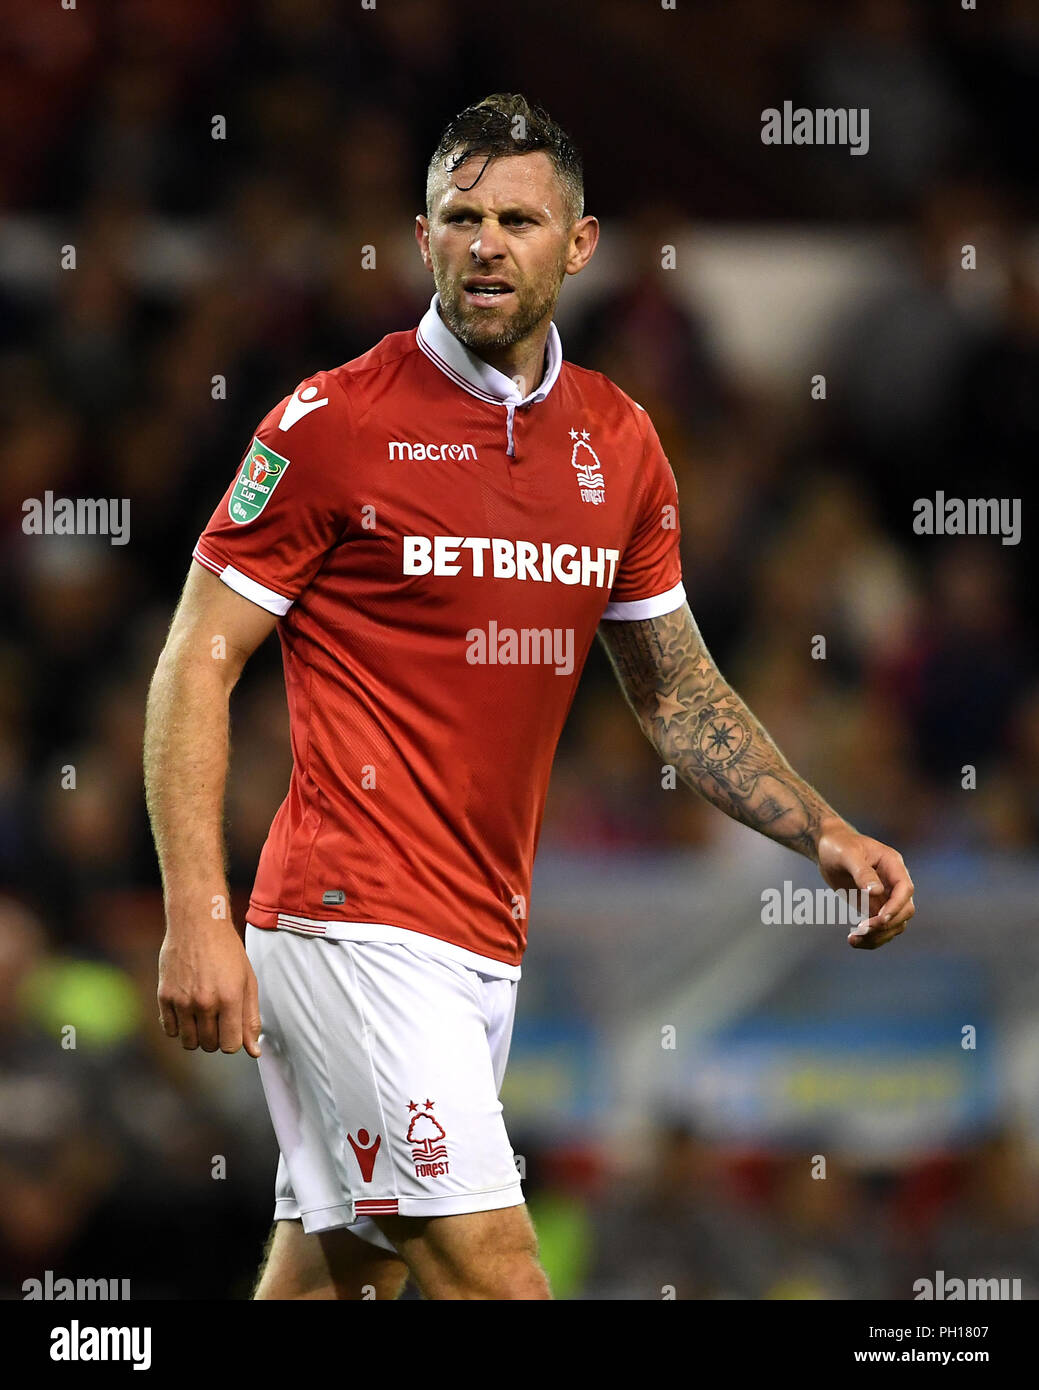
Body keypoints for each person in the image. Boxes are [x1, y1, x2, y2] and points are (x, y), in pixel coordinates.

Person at [143, 93, 915, 1301]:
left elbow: (671, 687)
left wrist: (821, 826)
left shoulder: (619, 441)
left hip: (478, 940)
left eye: (516, 218)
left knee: (335, 1280)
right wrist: (197, 909)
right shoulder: (334, 422)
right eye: (460, 217)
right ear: (423, 235)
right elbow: (195, 657)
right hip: (350, 919)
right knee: (498, 1280)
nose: (486, 242)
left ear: (580, 243)